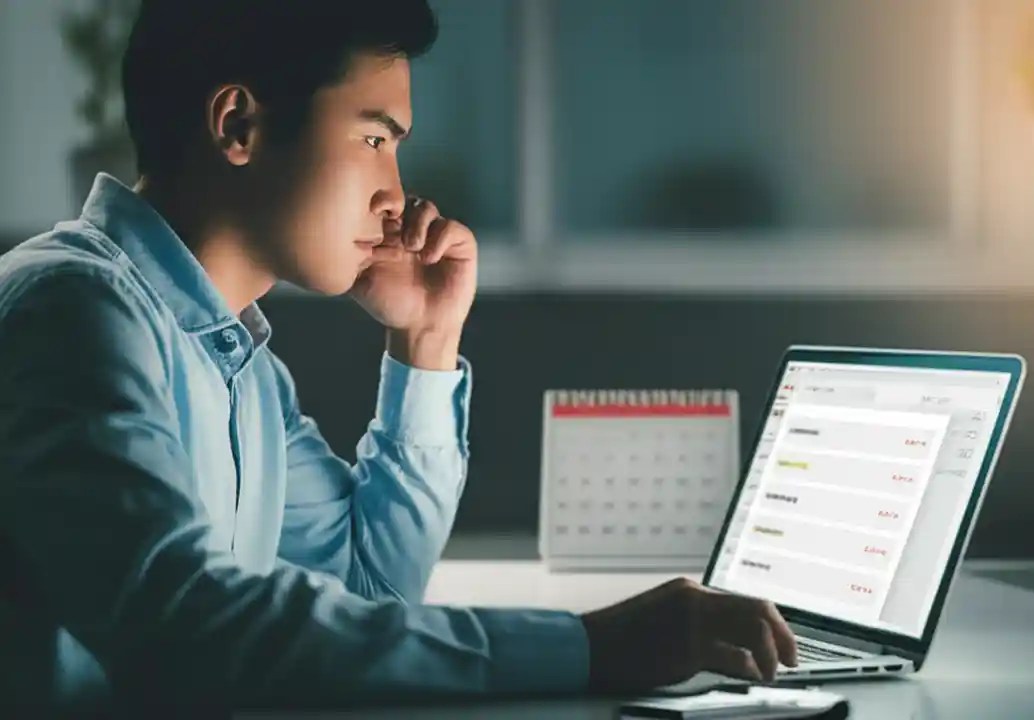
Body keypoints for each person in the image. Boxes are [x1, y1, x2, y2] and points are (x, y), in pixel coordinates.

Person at [0, 0, 796, 710]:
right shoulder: (72, 308)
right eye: (374, 137)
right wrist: (593, 647)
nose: (395, 192)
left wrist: (425, 342)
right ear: (237, 125)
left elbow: (374, 589)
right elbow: (187, 631)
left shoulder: (236, 366)